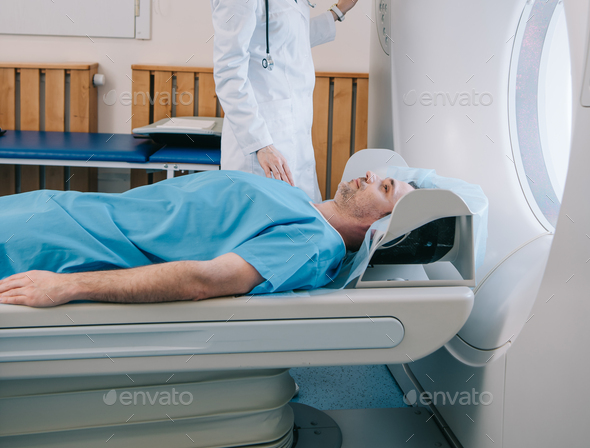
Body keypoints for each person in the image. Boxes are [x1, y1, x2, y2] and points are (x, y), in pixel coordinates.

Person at [0, 170, 415, 307]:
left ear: (379, 227)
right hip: (64, 209)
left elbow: (204, 280)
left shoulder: (312, 243)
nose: (372, 175)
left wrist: (68, 285)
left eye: (384, 187)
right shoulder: (299, 200)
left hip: (62, 245)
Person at [211, 0, 368, 202]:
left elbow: (285, 38)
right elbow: (228, 72)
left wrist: (337, 11)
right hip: (262, 144)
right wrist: (261, 145)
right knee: (270, 225)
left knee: (300, 220)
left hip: (292, 132)